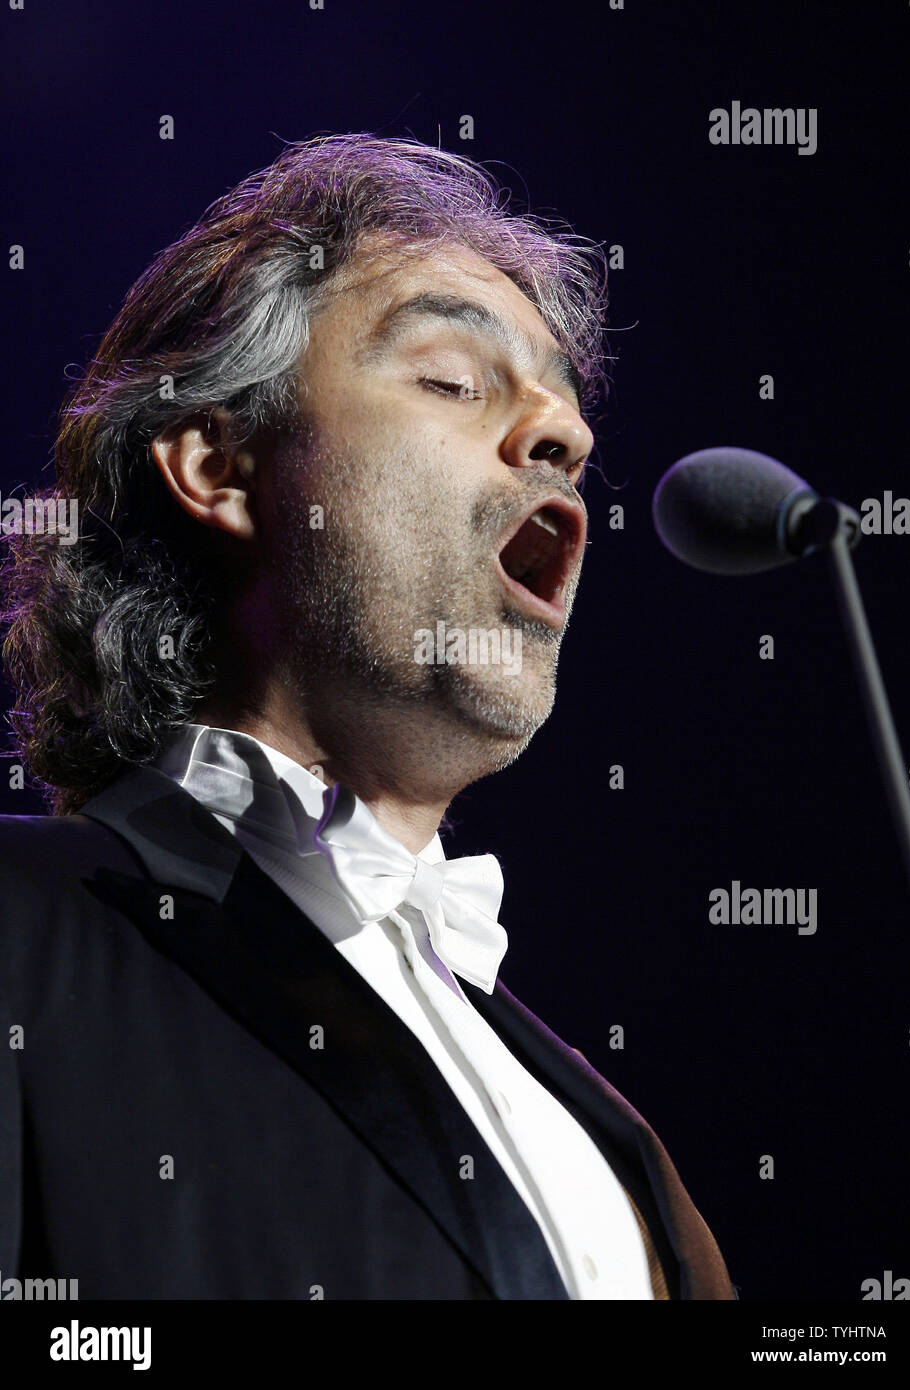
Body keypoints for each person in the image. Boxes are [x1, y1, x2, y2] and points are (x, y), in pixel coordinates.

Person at [0, 134, 734, 1300]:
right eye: (452, 378)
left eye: (563, 404)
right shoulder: (25, 935)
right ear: (219, 465)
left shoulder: (596, 1122)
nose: (566, 435)